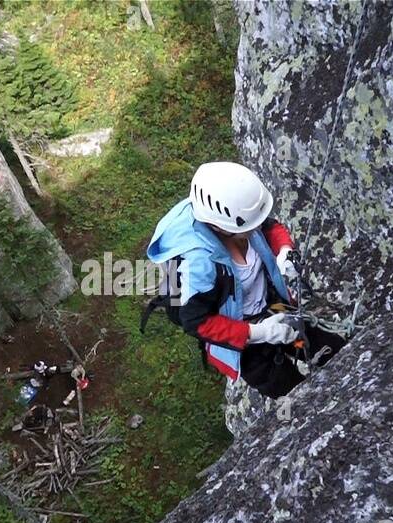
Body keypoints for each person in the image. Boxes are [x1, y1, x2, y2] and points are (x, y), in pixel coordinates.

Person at [146, 161, 345, 398]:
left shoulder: (241, 217)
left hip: (276, 310)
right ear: (219, 226)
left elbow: (270, 227)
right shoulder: (199, 264)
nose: (257, 227)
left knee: (337, 352)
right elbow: (197, 322)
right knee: (299, 398)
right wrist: (259, 333)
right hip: (246, 346)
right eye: (251, 225)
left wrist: (284, 252)